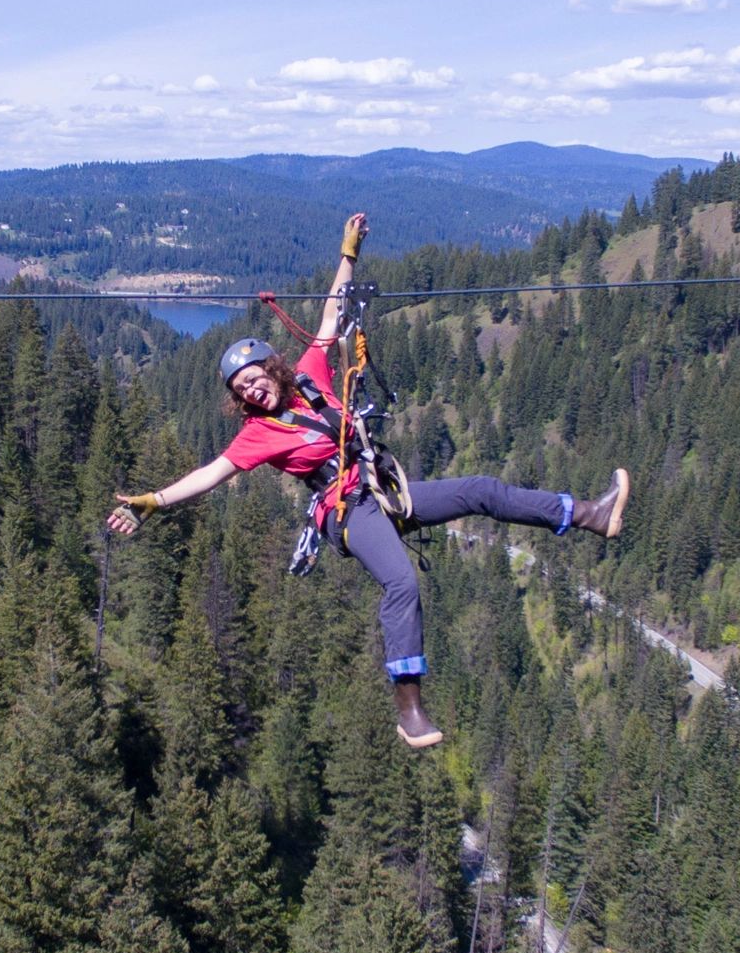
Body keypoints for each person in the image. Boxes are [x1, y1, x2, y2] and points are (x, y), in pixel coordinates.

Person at [107, 212, 628, 748]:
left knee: (482, 490)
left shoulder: (312, 375)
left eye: (254, 378)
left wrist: (348, 253)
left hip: (384, 488)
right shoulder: (258, 434)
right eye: (241, 389)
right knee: (401, 582)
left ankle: (589, 514)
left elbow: (331, 313)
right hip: (347, 512)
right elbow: (210, 475)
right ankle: (410, 712)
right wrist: (155, 501)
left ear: (272, 368)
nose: (251, 390)